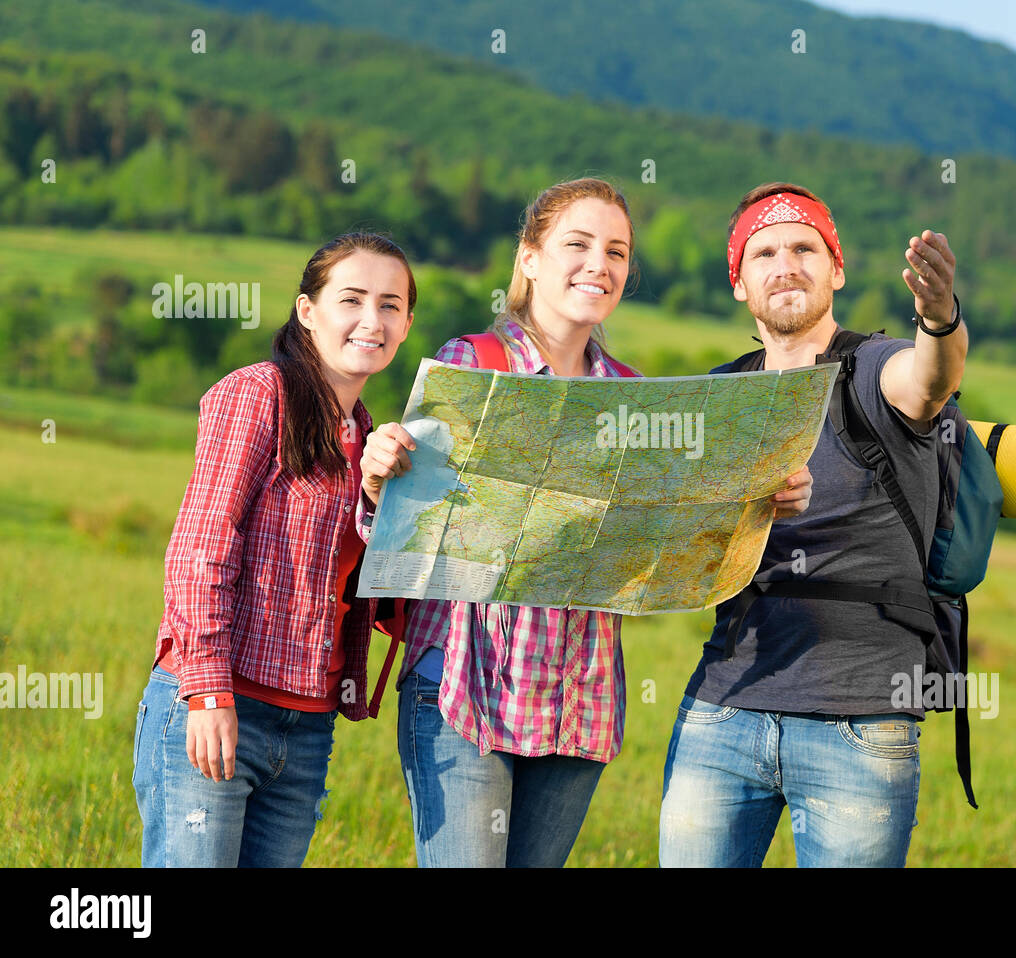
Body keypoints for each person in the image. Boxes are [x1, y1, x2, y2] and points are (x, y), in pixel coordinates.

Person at [359, 177, 813, 867]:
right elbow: (410, 530)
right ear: (531, 258)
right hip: (462, 685)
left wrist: (762, 495)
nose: (598, 264)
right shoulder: (474, 364)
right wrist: (377, 478)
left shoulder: (631, 397)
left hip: (579, 698)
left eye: (616, 251)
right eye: (577, 244)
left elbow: (665, 543)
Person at [658, 182, 968, 867]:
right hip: (722, 707)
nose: (786, 263)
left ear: (838, 269)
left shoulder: (874, 369)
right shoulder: (721, 394)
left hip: (859, 724)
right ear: (740, 282)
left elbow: (929, 381)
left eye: (805, 247)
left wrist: (940, 318)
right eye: (764, 252)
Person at [132, 232, 416, 867]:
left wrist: (374, 493)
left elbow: (362, 576)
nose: (373, 320)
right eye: (352, 299)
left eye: (391, 304)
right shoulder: (260, 393)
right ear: (307, 311)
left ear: (407, 324)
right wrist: (207, 692)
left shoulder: (371, 435)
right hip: (221, 702)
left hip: (309, 726)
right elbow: (203, 543)